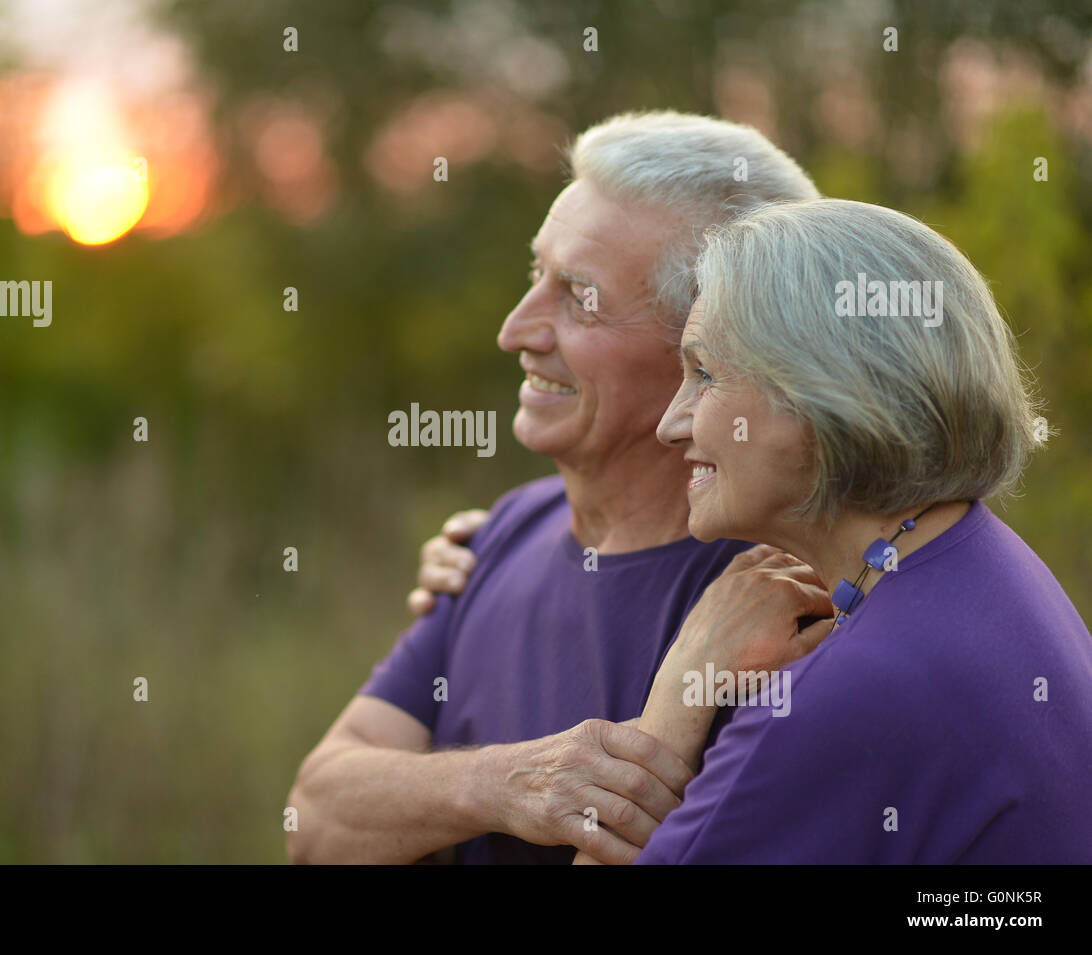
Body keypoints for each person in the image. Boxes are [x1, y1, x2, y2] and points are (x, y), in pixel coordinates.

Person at [285, 111, 820, 864]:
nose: (515, 328)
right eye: (535, 275)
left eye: (580, 297)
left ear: (708, 349)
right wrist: (504, 784)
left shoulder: (774, 610)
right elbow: (312, 821)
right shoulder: (500, 532)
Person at [634, 198, 1092, 862]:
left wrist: (680, 689)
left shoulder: (842, 699)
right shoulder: (976, 558)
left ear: (824, 395)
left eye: (705, 374)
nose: (671, 423)